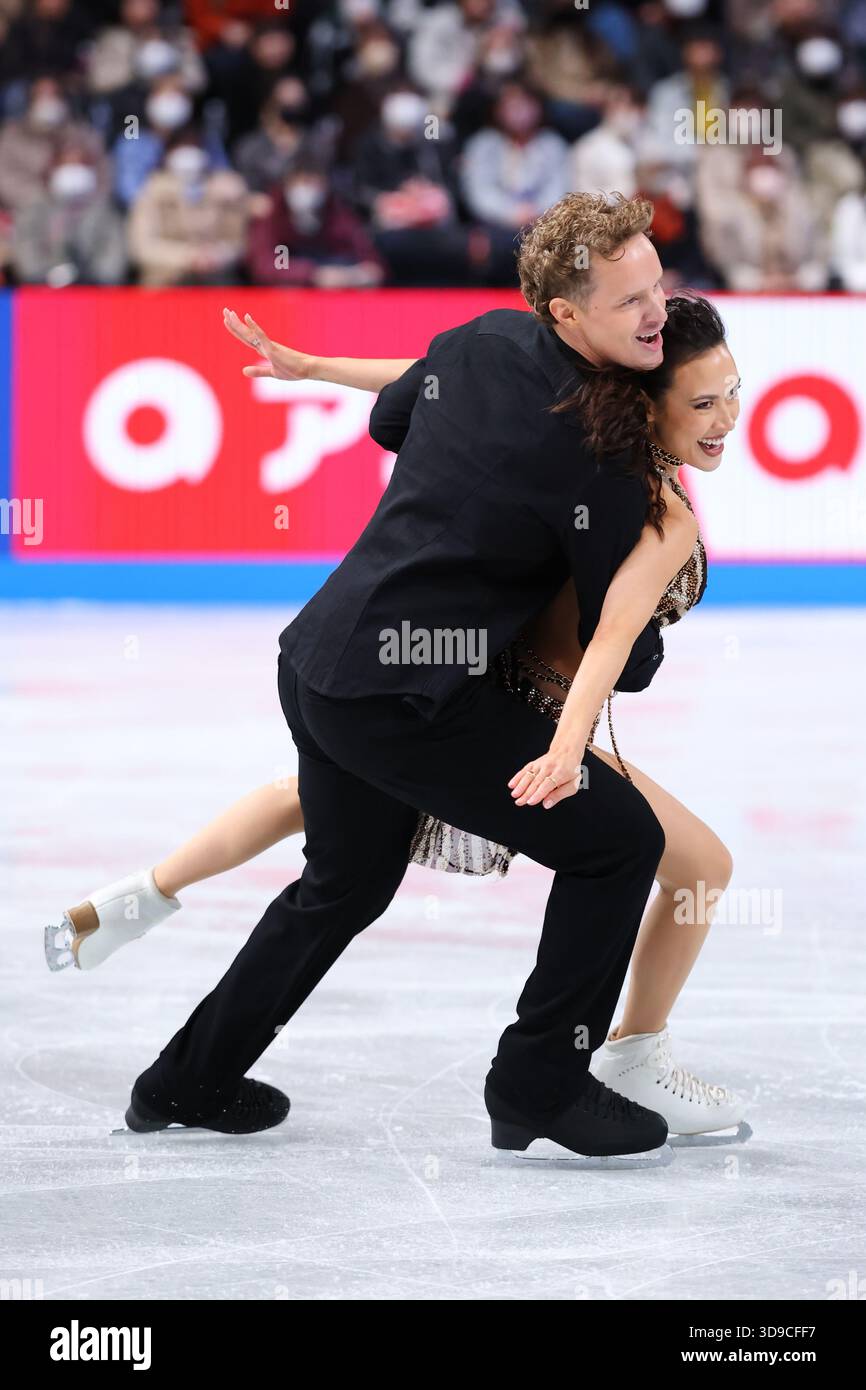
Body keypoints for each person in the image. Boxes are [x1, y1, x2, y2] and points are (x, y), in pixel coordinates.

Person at [61, 193, 720, 1163]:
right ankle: (538, 1080)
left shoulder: (486, 339)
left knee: (344, 883)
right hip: (401, 700)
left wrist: (312, 368)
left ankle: (186, 1080)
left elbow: (403, 400)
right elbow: (611, 642)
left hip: (317, 660)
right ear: (566, 316)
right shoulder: (601, 462)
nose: (653, 314)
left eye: (653, 288)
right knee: (617, 842)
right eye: (628, 303)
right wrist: (579, 731)